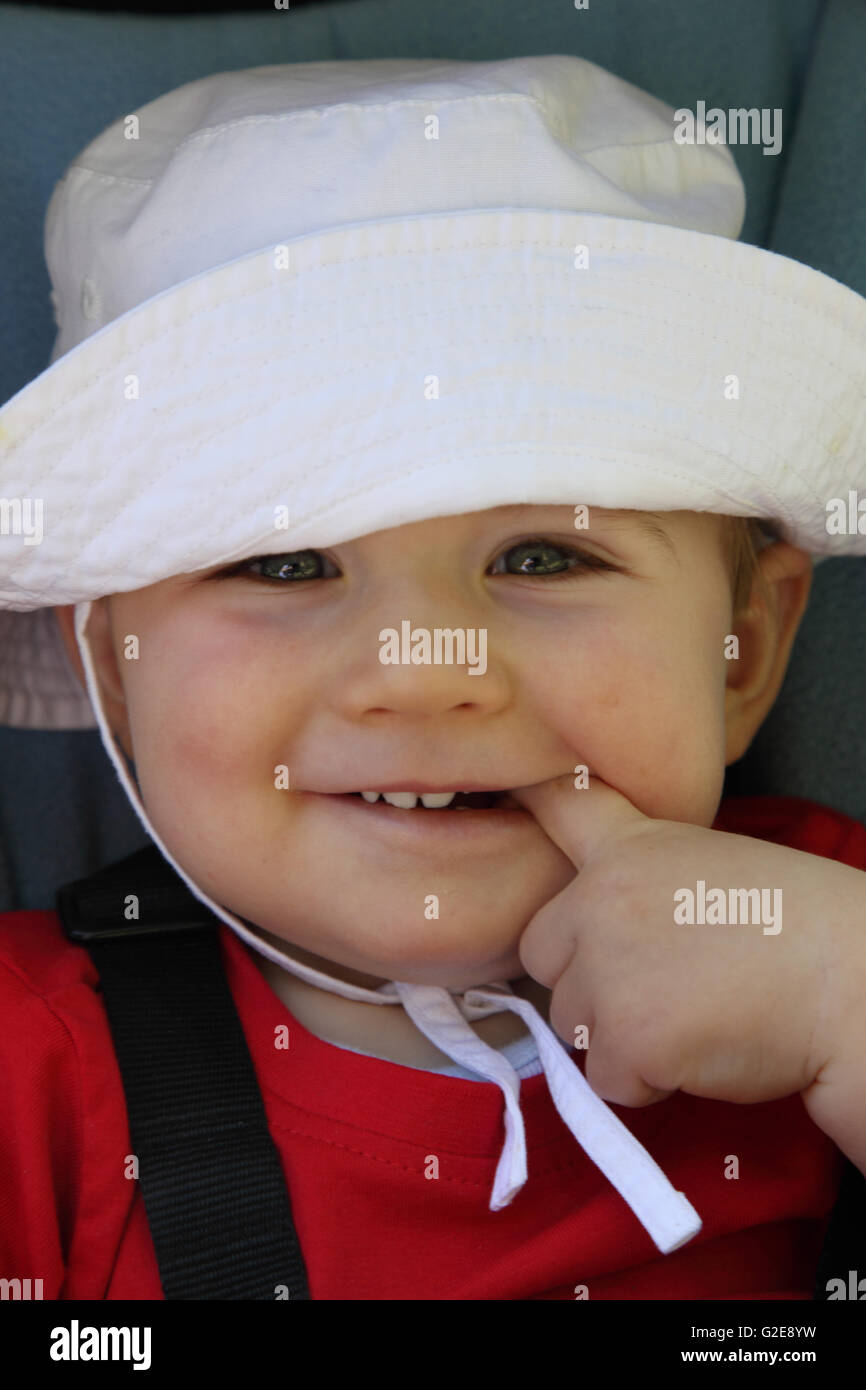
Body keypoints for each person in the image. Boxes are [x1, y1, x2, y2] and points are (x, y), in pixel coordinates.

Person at [1, 54, 865, 1300]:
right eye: (286, 562)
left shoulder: (823, 920)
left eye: (541, 555)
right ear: (119, 674)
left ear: (744, 647)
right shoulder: (38, 1066)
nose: (423, 674)